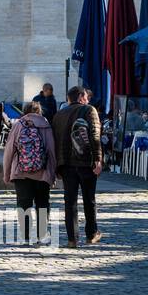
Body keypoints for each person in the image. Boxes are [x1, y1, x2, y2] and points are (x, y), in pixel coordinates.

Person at [52, 86, 104, 247]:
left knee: (70, 202)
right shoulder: (89, 110)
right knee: (89, 199)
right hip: (85, 162)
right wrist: (98, 159)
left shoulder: (59, 115)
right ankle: (91, 234)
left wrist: (56, 166)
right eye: (86, 96)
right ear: (81, 96)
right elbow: (95, 135)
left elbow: (54, 140)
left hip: (66, 163)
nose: (88, 99)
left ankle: (72, 239)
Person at [2, 101, 57, 244]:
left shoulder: (18, 125)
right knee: (42, 203)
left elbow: (9, 152)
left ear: (24, 112)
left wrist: (6, 173)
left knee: (23, 204)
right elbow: (51, 152)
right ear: (40, 112)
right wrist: (52, 173)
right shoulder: (46, 125)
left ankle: (25, 236)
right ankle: (42, 235)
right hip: (42, 172)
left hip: (21, 172)